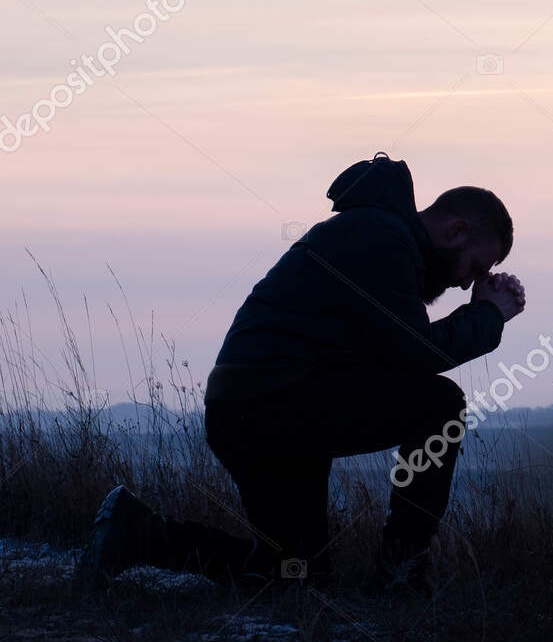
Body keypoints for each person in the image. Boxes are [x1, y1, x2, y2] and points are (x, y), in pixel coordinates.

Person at [76, 152, 526, 595]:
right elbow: (415, 351)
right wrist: (486, 315)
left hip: (258, 408)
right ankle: (401, 573)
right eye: (475, 267)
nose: (469, 282)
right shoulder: (380, 238)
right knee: (439, 404)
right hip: (274, 407)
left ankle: (137, 532)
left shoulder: (376, 234)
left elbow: (396, 339)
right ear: (456, 230)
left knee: (294, 576)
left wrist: (480, 310)